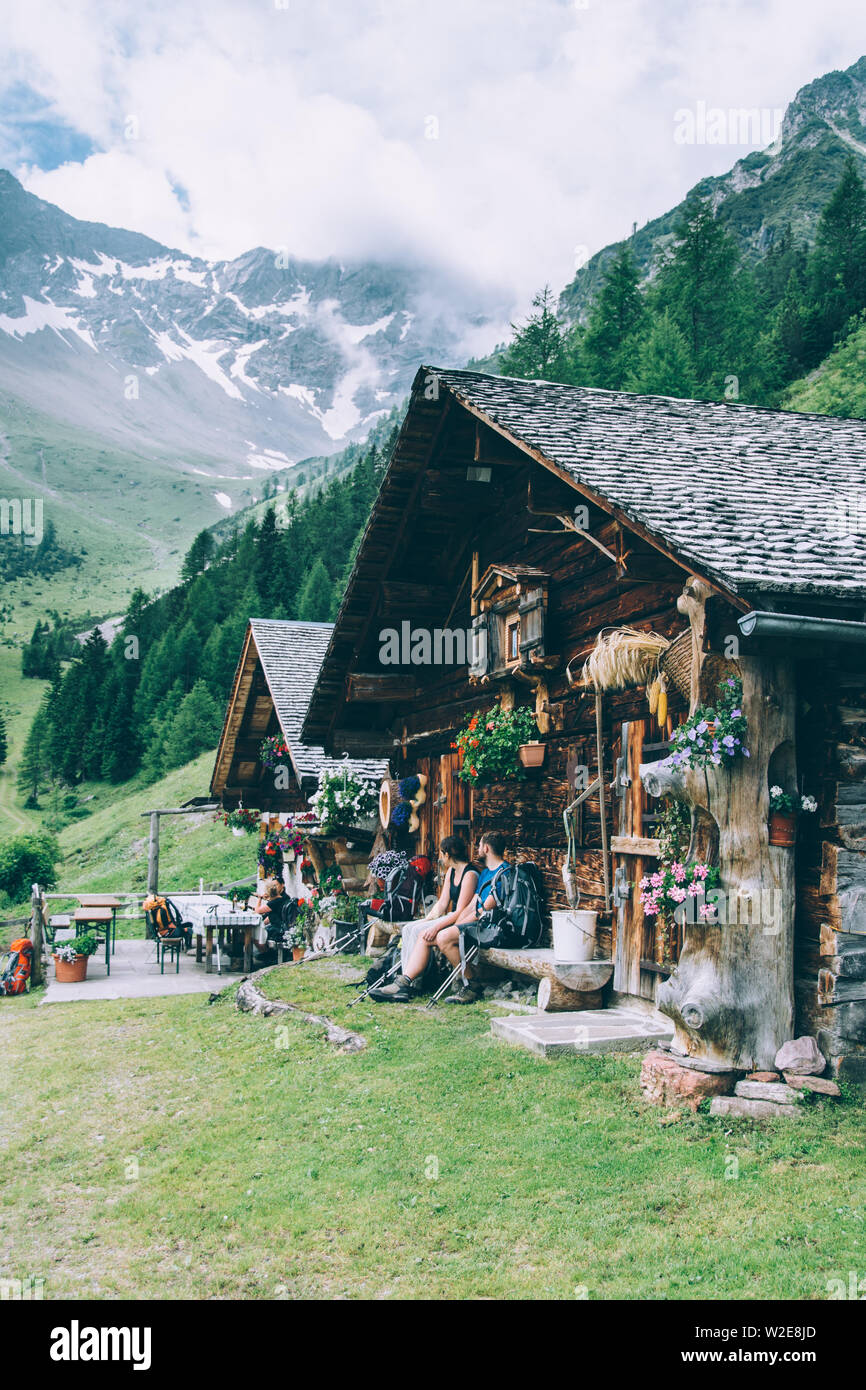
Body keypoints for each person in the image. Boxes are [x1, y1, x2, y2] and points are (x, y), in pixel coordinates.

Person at [371, 831, 509, 1004]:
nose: (478, 848)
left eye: (480, 845)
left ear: (486, 848)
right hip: (474, 920)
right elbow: (473, 904)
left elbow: (482, 910)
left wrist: (454, 926)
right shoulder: (486, 873)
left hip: (489, 926)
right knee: (424, 935)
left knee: (442, 936)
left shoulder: (503, 873)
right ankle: (404, 982)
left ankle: (472, 983)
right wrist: (452, 924)